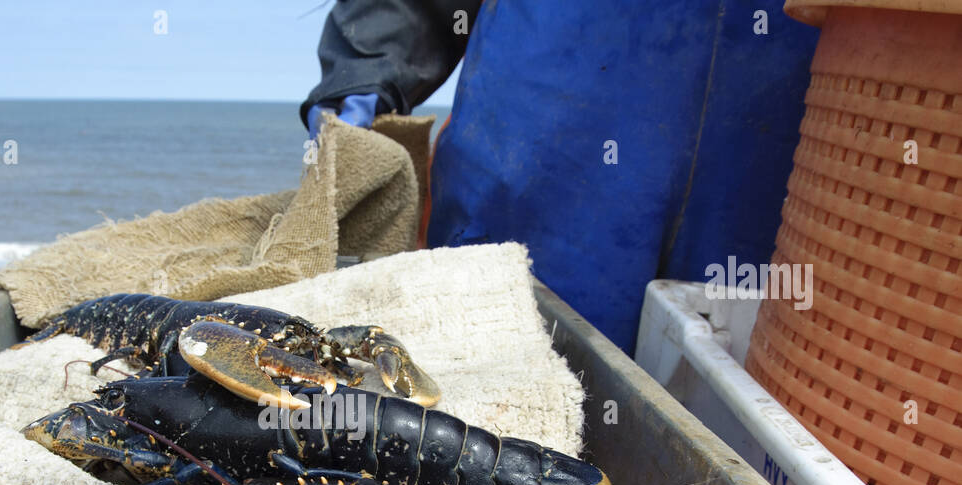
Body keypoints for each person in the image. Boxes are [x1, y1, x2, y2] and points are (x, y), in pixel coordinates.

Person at [302, 1, 819, 355]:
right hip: (533, 170)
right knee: (480, 377)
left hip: (790, 193)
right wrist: (367, 68)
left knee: (736, 429)